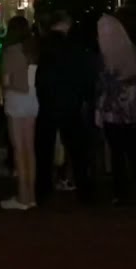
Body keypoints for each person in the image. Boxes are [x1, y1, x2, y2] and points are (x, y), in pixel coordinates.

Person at [34, 11, 95, 205]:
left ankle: (42, 191)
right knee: (77, 151)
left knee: (44, 151)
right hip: (70, 103)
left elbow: (40, 79)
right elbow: (84, 75)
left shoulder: (44, 47)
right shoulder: (74, 47)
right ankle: (84, 192)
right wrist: (84, 96)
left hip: (49, 103)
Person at [96, 11, 136, 205]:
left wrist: (100, 109)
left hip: (114, 112)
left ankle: (121, 192)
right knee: (135, 152)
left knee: (118, 154)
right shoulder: (132, 51)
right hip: (133, 110)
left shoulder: (106, 57)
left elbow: (104, 88)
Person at [0, 15, 38, 210]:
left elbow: (6, 81)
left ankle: (22, 196)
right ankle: (31, 195)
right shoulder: (32, 50)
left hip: (16, 98)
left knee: (18, 149)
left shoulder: (10, 52)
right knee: (30, 149)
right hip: (33, 98)